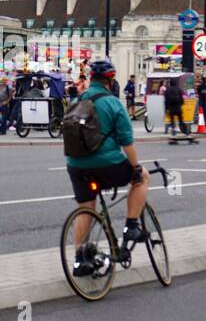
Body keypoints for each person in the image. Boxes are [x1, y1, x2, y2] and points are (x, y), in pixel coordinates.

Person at [64, 59, 149, 276]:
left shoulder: (78, 99)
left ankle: (80, 260)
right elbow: (126, 141)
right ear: (110, 81)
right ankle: (131, 225)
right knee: (142, 177)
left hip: (76, 164)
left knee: (86, 209)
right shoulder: (112, 103)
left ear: (91, 78)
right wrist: (135, 167)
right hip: (107, 164)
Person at [163, 74, 196, 143]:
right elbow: (182, 99)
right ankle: (186, 133)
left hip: (171, 108)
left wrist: (166, 109)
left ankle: (174, 133)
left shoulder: (167, 90)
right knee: (181, 121)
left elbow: (166, 100)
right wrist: (180, 104)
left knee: (172, 122)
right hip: (178, 107)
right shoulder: (179, 89)